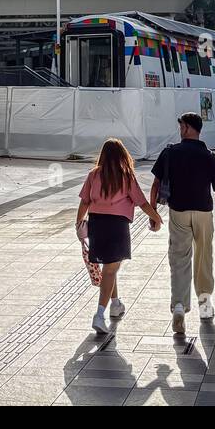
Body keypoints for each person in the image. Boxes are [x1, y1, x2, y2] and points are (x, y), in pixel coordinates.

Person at [151, 112, 215, 335]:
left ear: (188, 128)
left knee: (179, 259)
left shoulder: (170, 152)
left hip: (178, 212)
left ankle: (179, 307)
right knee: (203, 256)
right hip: (203, 213)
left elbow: (155, 184)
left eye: (181, 127)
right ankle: (205, 303)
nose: (180, 130)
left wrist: (153, 213)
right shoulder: (209, 156)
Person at [76, 137, 162, 334]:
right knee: (110, 269)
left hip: (97, 224)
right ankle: (99, 315)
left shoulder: (93, 175)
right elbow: (141, 202)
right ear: (123, 156)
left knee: (109, 266)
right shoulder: (126, 176)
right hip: (117, 226)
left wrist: (79, 224)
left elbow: (84, 202)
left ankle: (115, 304)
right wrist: (156, 218)